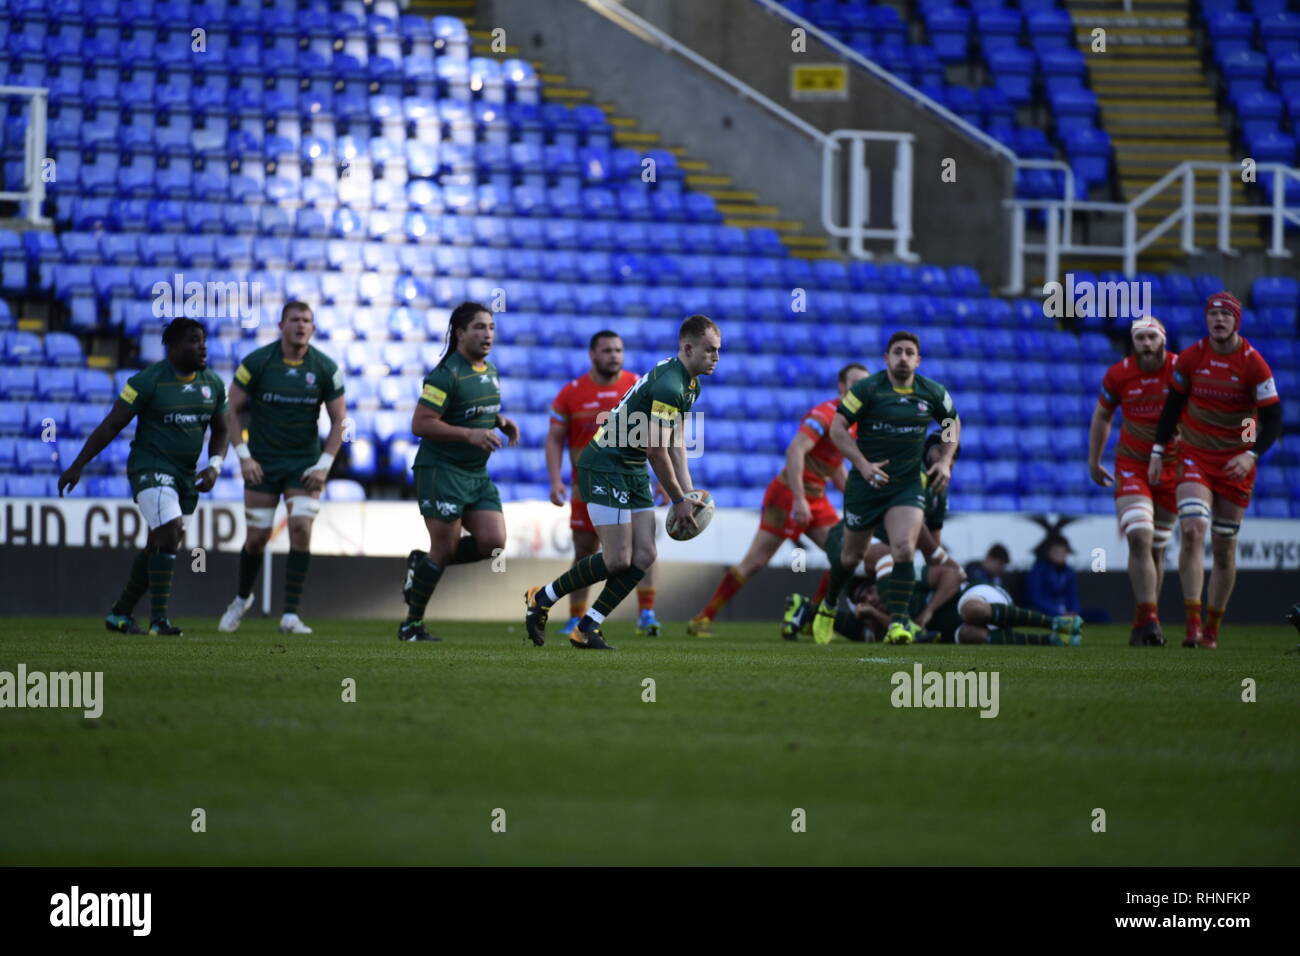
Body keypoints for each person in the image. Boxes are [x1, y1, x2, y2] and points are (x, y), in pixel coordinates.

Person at [524, 315, 720, 649]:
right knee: (616, 559)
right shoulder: (670, 386)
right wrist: (678, 499)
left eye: (718, 351)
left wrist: (687, 492)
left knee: (644, 555)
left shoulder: (689, 384)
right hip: (604, 464)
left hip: (630, 467)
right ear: (688, 348)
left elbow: (675, 441)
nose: (716, 358)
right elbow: (656, 450)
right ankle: (542, 597)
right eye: (710, 351)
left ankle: (587, 628)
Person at [57, 317, 229, 636]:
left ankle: (119, 613)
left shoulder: (214, 385)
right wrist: (78, 464)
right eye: (194, 340)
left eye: (203, 340)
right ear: (173, 347)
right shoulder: (147, 381)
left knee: (159, 545)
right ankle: (159, 620)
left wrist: (215, 465)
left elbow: (222, 429)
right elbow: (112, 425)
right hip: (149, 468)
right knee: (169, 532)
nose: (202, 346)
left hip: (185, 477)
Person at [689, 362, 869, 638]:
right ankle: (702, 619)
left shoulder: (852, 423)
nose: (860, 390)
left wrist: (855, 499)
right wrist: (799, 499)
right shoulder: (825, 414)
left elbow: (832, 464)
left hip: (816, 498)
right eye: (855, 384)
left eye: (864, 385)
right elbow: (795, 451)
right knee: (755, 562)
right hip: (788, 495)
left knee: (843, 556)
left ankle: (810, 617)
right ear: (841, 387)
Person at [1149, 291, 1282, 649]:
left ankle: (1212, 628)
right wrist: (1159, 451)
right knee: (1192, 530)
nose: (1219, 320)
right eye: (1213, 314)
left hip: (1236, 464)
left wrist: (1250, 454)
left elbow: (1272, 419)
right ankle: (1191, 624)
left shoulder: (1254, 364)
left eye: (1226, 315)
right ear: (1206, 320)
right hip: (1194, 456)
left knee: (1224, 547)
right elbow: (1173, 406)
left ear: (1237, 321)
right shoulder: (1192, 358)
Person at [811, 330, 961, 645]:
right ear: (886, 358)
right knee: (850, 558)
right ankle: (829, 604)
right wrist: (863, 465)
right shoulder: (867, 389)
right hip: (866, 486)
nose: (903, 357)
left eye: (909, 352)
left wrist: (945, 460)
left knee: (904, 548)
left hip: (905, 485)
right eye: (897, 352)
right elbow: (837, 429)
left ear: (918, 360)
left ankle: (898, 623)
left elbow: (952, 422)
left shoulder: (932, 392)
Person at [217, 301, 347, 635]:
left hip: (303, 465)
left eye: (306, 320)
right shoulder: (258, 362)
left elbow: (339, 423)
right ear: (281, 325)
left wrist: (324, 465)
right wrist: (244, 456)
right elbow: (228, 410)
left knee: (301, 529)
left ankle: (290, 614)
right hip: (262, 463)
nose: (300, 326)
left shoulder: (326, 368)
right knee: (257, 538)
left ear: (313, 328)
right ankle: (241, 598)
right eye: (294, 320)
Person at [398, 302, 520, 642]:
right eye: (479, 327)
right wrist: (470, 434)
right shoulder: (446, 374)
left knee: (493, 543)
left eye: (491, 328)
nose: (487, 334)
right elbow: (420, 423)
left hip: (476, 474)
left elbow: (472, 408)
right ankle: (411, 625)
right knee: (445, 549)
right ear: (460, 333)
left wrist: (499, 420)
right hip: (442, 470)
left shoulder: (490, 371)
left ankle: (421, 566)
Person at [546, 330, 663, 640]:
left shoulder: (638, 386)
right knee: (586, 549)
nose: (614, 355)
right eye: (607, 350)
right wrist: (555, 479)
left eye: (619, 350)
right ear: (592, 354)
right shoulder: (571, 393)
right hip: (587, 484)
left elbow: (658, 433)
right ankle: (576, 617)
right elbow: (555, 439)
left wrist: (664, 479)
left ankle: (647, 614)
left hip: (631, 479)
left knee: (643, 547)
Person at [1089, 315, 1179, 646]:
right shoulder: (1119, 373)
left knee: (1157, 546)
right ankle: (1152, 619)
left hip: (1173, 467)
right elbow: (1102, 415)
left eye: (1150, 337)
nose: (1145, 343)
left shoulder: (1181, 370)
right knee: (1139, 536)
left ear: (1162, 340)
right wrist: (1094, 460)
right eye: (1139, 338)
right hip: (1132, 465)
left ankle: (1143, 619)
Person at [832, 564, 1081, 646]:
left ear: (878, 584)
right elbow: (904, 632)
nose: (871, 599)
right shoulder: (887, 622)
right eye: (863, 600)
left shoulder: (905, 578)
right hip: (958, 627)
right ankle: (1052, 640)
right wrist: (874, 614)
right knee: (969, 634)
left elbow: (952, 574)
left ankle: (1055, 622)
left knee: (971, 611)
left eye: (870, 592)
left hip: (976, 594)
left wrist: (929, 610)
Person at [1024, 536, 1081, 619]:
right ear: (1048, 553)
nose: (1060, 555)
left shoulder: (1069, 572)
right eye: (1056, 552)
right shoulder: (1038, 571)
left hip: (1067, 611)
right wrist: (1058, 612)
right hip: (1046, 612)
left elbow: (1073, 597)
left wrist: (1074, 611)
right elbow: (1036, 598)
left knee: (1101, 615)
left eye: (1063, 552)